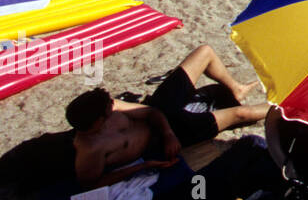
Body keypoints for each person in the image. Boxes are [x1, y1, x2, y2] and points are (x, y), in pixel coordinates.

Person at [65, 45, 268, 188]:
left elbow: (150, 111)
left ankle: (236, 89)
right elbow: (93, 183)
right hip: (169, 138)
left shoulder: (112, 107)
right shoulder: (90, 150)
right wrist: (146, 165)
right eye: (107, 111)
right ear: (97, 122)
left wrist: (167, 131)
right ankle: (288, 107)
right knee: (241, 113)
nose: (112, 107)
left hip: (162, 117)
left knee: (204, 52)